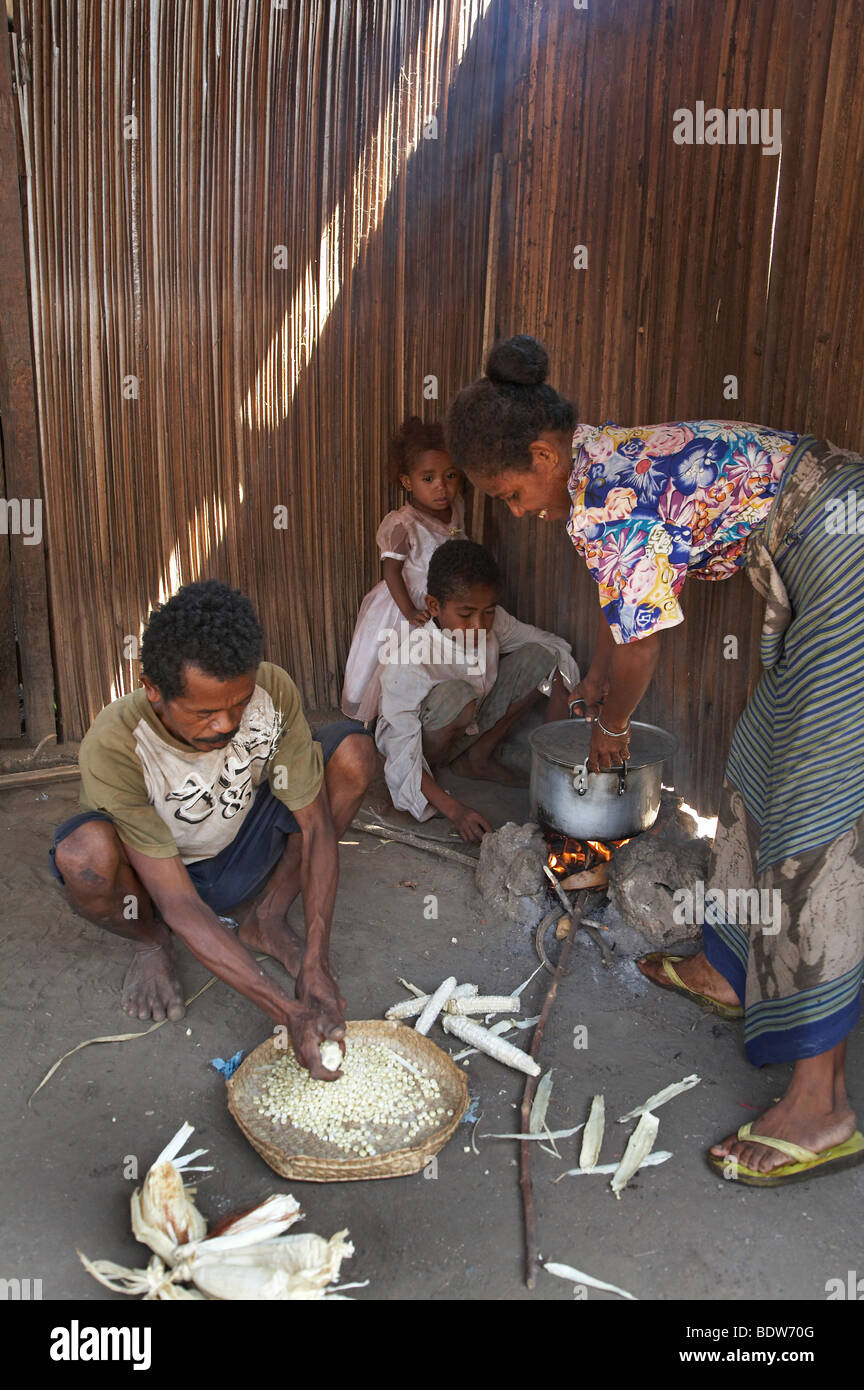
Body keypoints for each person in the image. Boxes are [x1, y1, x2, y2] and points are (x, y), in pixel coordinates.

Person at [445, 333, 864, 1184]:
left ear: (543, 455)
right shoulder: (598, 463)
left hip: (844, 551)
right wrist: (600, 676)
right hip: (825, 535)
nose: (516, 511)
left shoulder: (603, 499)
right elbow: (626, 613)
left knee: (811, 815)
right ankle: (728, 966)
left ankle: (821, 1103)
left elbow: (645, 645)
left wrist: (612, 729)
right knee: (757, 758)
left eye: (511, 493)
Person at [49, 580, 376, 1079]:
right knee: (83, 856)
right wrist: (288, 1011)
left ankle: (267, 919)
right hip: (158, 881)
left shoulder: (271, 692)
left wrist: (317, 959)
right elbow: (181, 903)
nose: (226, 724)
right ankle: (151, 941)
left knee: (351, 753)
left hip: (240, 849)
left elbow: (315, 828)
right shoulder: (116, 744)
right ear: (153, 689)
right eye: (203, 713)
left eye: (238, 703)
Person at [375, 538, 579, 842]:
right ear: (434, 606)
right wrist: (455, 810)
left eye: (488, 611)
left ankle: (477, 758)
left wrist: (554, 764)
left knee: (541, 657)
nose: (479, 625)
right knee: (458, 696)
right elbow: (397, 753)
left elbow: (554, 647)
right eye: (466, 613)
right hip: (426, 747)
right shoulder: (411, 659)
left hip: (472, 726)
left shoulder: (493, 623)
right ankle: (441, 770)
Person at [341, 416, 467, 721]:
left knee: (433, 667)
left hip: (443, 601)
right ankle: (382, 720)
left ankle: (427, 715)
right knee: (392, 663)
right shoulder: (403, 524)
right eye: (428, 479)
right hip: (404, 607)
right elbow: (391, 573)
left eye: (450, 475)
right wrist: (410, 612)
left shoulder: (457, 509)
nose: (441, 486)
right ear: (407, 482)